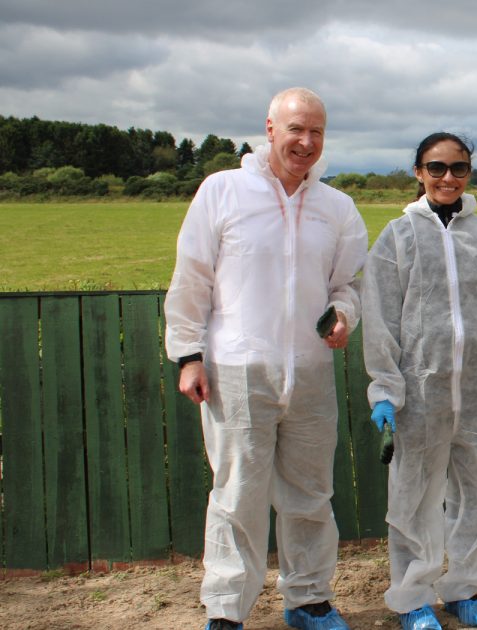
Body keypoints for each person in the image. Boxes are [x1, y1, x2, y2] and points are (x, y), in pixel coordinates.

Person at [164, 87, 367, 630]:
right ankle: (227, 612)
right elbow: (191, 280)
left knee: (309, 495)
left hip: (310, 374)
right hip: (236, 369)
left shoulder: (336, 207)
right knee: (238, 497)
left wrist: (344, 314)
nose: (306, 141)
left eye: (317, 132)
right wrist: (188, 355)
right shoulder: (223, 192)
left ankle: (309, 600)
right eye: (296, 129)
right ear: (270, 129)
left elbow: (346, 285)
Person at [361, 132, 477, 630]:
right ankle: (412, 596)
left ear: (469, 173)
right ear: (419, 172)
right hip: (419, 394)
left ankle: (465, 587)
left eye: (458, 168)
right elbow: (380, 319)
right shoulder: (397, 237)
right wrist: (386, 389)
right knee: (412, 498)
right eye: (436, 168)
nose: (448, 178)